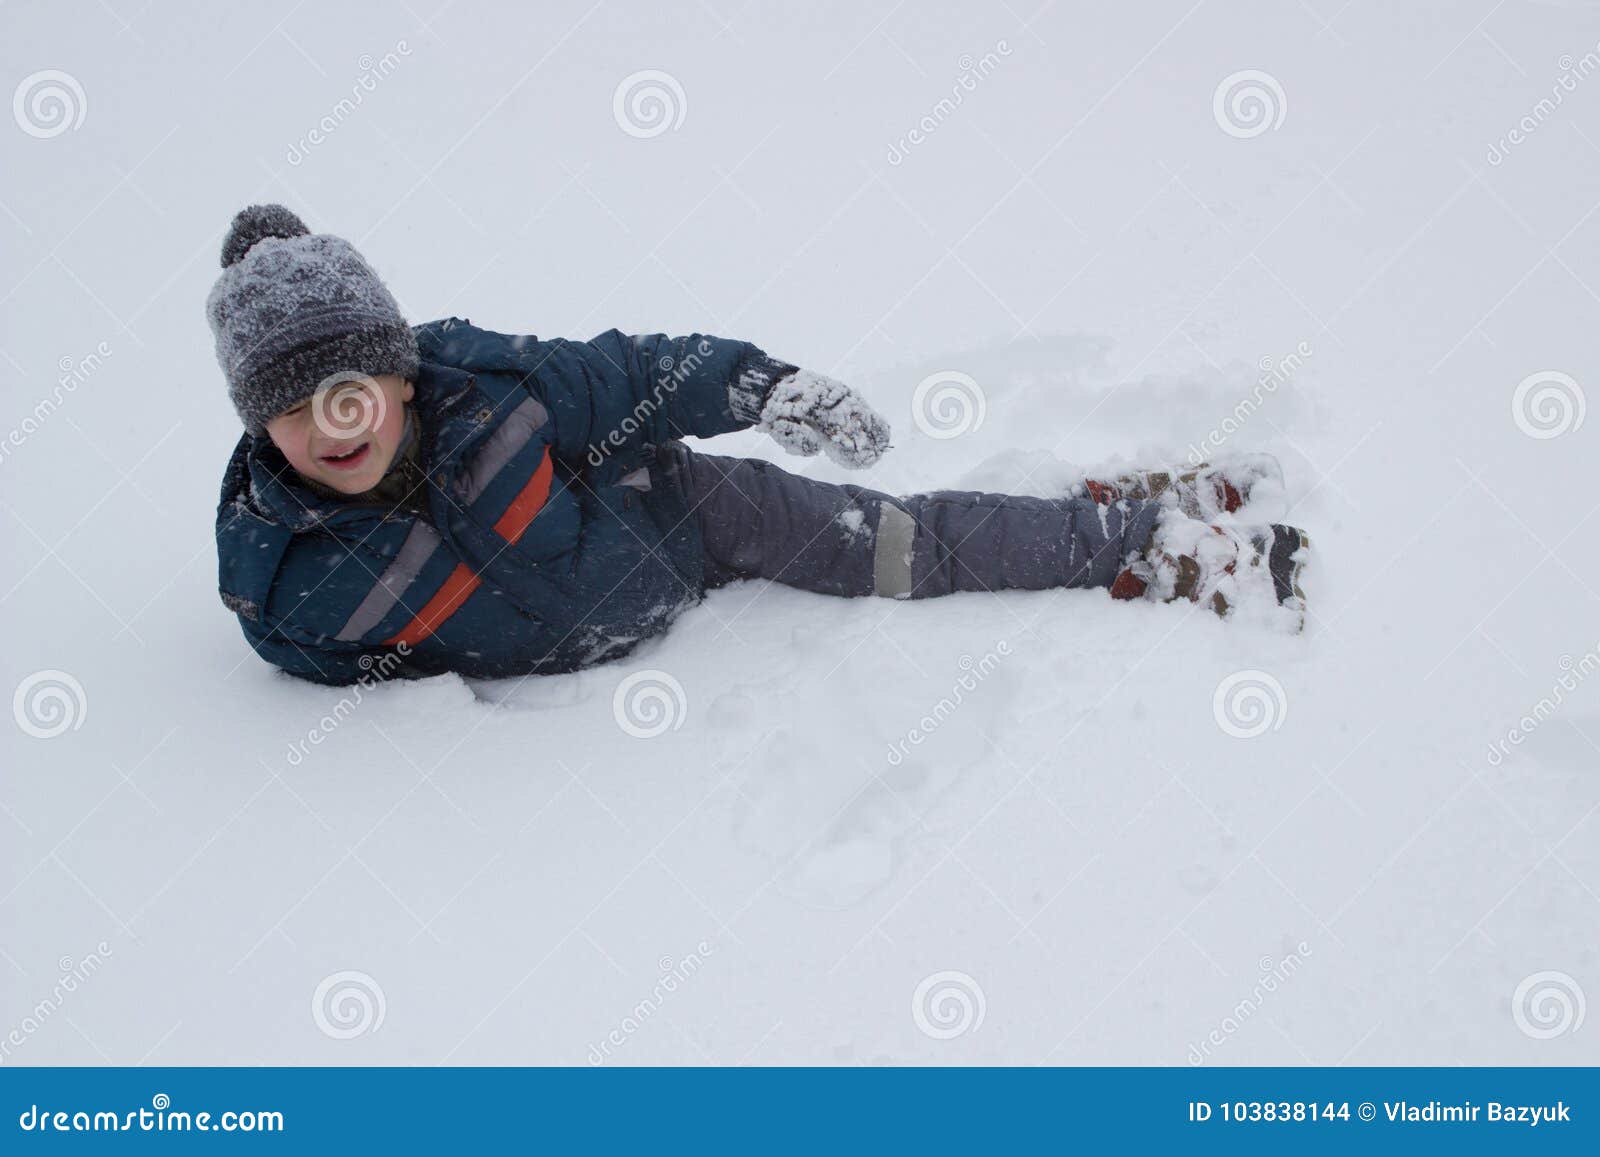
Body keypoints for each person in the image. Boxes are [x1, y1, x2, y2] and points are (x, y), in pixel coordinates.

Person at [207, 204, 1308, 687]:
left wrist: (763, 385)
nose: (327, 426)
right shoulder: (284, 583)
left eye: (348, 387)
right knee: (900, 546)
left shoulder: (492, 390)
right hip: (600, 610)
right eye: (292, 408)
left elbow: (638, 370)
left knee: (897, 548)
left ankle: (1139, 537)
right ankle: (1104, 514)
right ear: (256, 423)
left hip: (680, 515)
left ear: (399, 370)